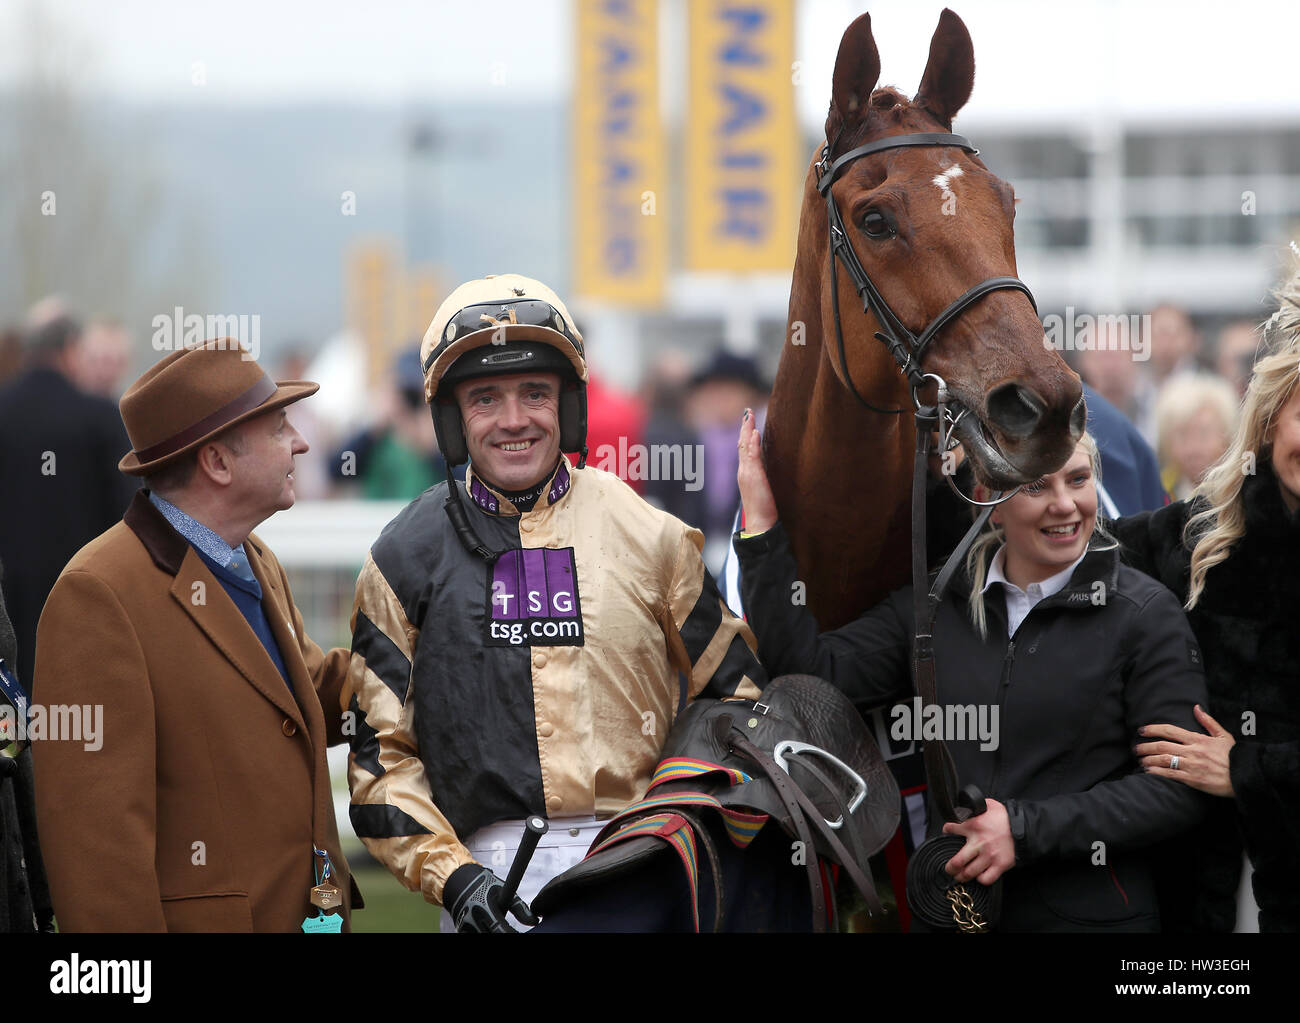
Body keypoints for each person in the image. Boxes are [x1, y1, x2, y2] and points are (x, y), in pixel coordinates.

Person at [344, 275, 765, 932]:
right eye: (486, 398)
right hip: (483, 884)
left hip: (646, 863)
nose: (515, 419)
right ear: (453, 418)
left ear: (567, 405)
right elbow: (377, 761)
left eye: (534, 393)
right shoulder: (400, 558)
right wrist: (453, 875)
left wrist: (678, 818)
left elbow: (738, 699)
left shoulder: (651, 533)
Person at [735, 420, 1209, 931]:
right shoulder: (937, 608)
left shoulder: (1145, 613)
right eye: (1036, 485)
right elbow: (809, 673)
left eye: (1077, 479)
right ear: (989, 500)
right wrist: (761, 527)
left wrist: (1023, 830)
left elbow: (1177, 790)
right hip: (957, 916)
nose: (1066, 504)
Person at [32, 339, 357, 932]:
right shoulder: (98, 594)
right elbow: (98, 853)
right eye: (279, 426)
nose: (301, 442)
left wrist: (434, 658)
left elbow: (302, 695)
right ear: (218, 463)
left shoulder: (252, 557)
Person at [1118, 274, 1300, 932]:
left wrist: (1248, 771)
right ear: (1270, 415)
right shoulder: (1192, 540)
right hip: (1193, 905)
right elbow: (1051, 562)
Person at [0, 313, 139, 690]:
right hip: (83, 593)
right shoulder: (100, 417)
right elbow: (131, 511)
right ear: (69, 351)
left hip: (7, 597)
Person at [1152, 373, 1237, 500]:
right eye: (1182, 436)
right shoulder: (1157, 493)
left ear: (1228, 436)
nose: (1193, 449)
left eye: (1203, 434)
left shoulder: (1244, 494)